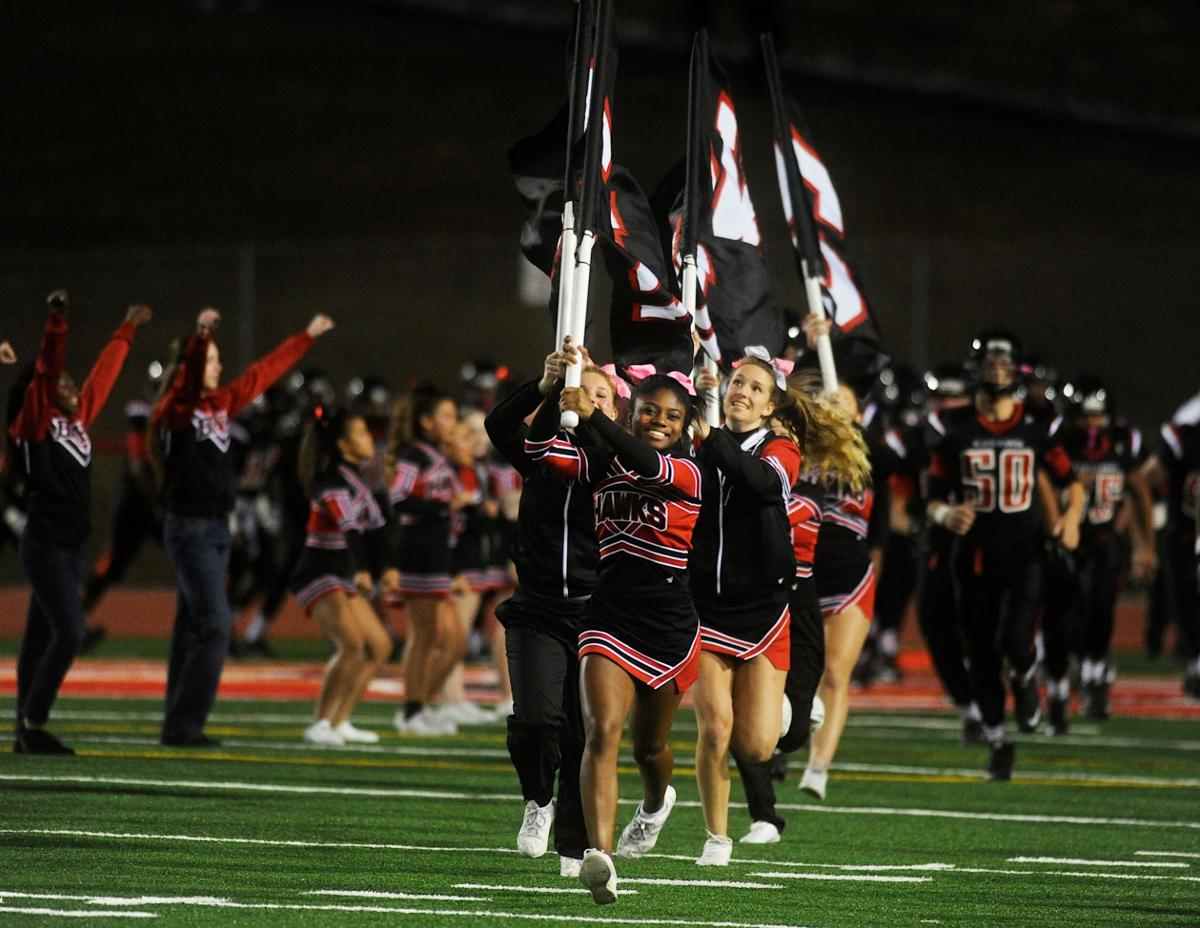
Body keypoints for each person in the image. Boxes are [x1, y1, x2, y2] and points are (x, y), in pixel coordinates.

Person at [526, 347, 703, 906]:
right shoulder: (601, 462)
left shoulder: (689, 472)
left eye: (672, 416)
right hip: (607, 618)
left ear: (683, 427)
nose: (660, 422)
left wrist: (596, 416)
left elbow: (650, 470)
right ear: (635, 413)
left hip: (670, 625)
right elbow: (534, 448)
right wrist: (554, 390)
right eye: (650, 411)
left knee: (650, 750)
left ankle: (655, 803)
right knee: (602, 730)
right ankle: (599, 856)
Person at [152, 307, 332, 747]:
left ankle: (177, 722)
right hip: (189, 527)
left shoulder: (221, 404)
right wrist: (200, 337)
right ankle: (186, 725)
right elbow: (192, 377)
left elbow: (263, 373)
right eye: (210, 360)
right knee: (215, 626)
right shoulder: (178, 409)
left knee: (190, 624)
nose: (217, 367)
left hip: (214, 527)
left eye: (215, 360)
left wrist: (304, 337)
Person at [484, 348, 618, 878]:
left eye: (601, 394)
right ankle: (536, 798)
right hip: (537, 607)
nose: (588, 398)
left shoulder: (617, 463)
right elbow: (500, 425)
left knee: (582, 735)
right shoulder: (539, 456)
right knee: (537, 722)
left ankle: (574, 845)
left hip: (595, 613)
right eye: (581, 390)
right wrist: (541, 386)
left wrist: (592, 420)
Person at [925, 331, 1083, 779]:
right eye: (990, 363)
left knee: (1015, 640)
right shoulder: (954, 428)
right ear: (977, 370)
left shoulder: (1037, 425)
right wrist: (945, 515)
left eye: (1004, 364)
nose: (997, 371)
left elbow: (1073, 484)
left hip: (1025, 552)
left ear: (1016, 371)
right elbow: (932, 496)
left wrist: (1070, 521)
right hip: (972, 556)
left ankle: (1026, 675)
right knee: (981, 653)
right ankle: (997, 738)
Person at [10, 290, 151, 754]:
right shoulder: (35, 424)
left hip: (71, 545)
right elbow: (48, 370)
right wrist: (57, 324)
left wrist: (125, 330)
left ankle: (22, 733)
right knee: (71, 632)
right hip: (46, 542)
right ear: (43, 391)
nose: (71, 385)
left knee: (40, 635)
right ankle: (34, 720)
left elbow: (103, 376)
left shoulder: (77, 419)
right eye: (61, 382)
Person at [688, 352, 801, 865]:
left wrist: (710, 435)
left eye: (756, 387)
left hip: (763, 609)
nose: (743, 391)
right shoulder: (698, 437)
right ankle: (717, 836)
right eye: (737, 382)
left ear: (770, 404)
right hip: (706, 608)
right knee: (715, 728)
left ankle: (781, 706)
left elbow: (760, 484)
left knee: (755, 746)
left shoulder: (780, 448)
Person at [1039, 377, 1155, 731]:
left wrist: (1145, 545)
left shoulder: (1122, 441)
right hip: (1062, 543)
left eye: (1097, 418)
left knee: (1100, 609)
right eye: (1083, 419)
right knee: (1058, 623)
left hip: (1103, 542)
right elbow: (1039, 489)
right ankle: (1058, 691)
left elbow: (1139, 491)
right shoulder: (1054, 442)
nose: (1091, 426)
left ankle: (1094, 675)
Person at [291, 406, 394, 746]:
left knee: (379, 646)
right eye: (362, 434)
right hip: (319, 571)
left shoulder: (357, 479)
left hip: (342, 572)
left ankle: (340, 721)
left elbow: (377, 531)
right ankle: (319, 722)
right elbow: (350, 530)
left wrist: (387, 569)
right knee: (351, 644)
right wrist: (364, 570)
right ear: (343, 446)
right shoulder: (333, 482)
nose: (370, 440)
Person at [387, 386, 474, 735]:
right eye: (446, 416)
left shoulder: (439, 455)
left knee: (455, 641)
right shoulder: (414, 455)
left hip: (440, 554)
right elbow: (398, 498)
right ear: (426, 422)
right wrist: (443, 507)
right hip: (418, 552)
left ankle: (422, 704)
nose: (452, 423)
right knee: (425, 637)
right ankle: (411, 711)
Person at [1137, 413, 1200, 699]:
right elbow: (1143, 480)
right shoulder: (1184, 439)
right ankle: (1196, 665)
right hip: (1184, 538)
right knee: (1186, 604)